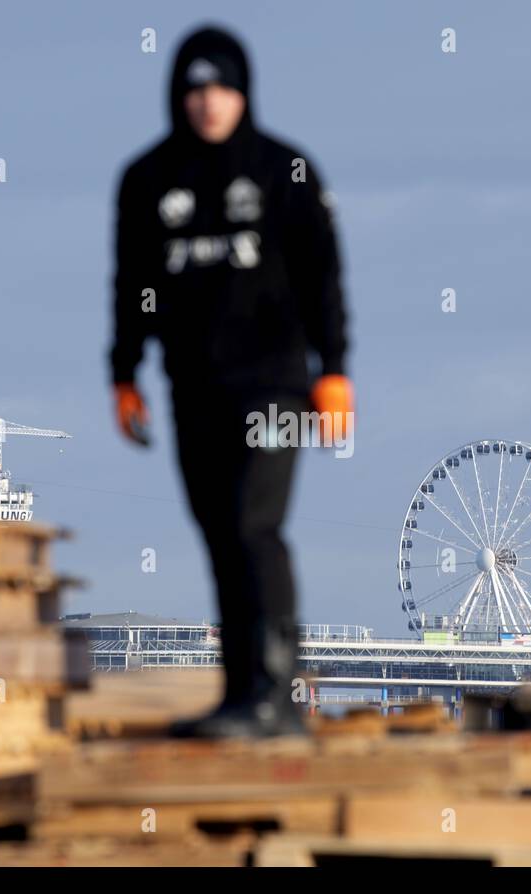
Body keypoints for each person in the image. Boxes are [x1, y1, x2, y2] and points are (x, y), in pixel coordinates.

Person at [108, 25, 353, 738]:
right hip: (194, 389)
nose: (208, 104)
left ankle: (278, 696)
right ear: (177, 97)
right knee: (218, 532)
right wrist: (124, 374)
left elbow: (324, 278)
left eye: (221, 89)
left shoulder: (287, 171)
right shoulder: (147, 180)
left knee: (256, 525)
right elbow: (131, 285)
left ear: (244, 94)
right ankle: (241, 694)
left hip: (276, 385)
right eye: (195, 90)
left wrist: (335, 369)